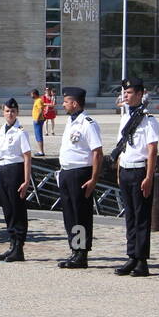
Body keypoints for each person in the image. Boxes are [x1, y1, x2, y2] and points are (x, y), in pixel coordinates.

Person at [111, 77, 159, 277]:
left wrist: (149, 177)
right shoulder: (125, 117)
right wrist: (118, 172)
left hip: (140, 170)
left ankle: (142, 260)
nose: (126, 96)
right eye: (125, 92)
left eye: (129, 93)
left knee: (141, 217)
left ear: (140, 95)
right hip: (126, 170)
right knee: (130, 216)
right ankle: (131, 255)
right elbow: (121, 148)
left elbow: (152, 150)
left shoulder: (148, 120)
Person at [55, 86, 103, 269]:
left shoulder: (87, 123)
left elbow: (97, 152)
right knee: (69, 214)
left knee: (80, 214)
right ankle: (74, 250)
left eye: (66, 101)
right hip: (67, 172)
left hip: (80, 173)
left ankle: (82, 253)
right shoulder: (71, 122)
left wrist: (94, 179)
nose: (63, 104)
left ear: (75, 103)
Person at [0, 98, 33, 262]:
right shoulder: (2, 130)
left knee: (18, 209)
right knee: (8, 209)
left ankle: (19, 247)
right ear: (3, 112)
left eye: (13, 111)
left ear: (17, 113)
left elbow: (27, 157)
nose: (10, 114)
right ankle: (12, 243)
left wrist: (26, 180)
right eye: (8, 111)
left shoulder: (20, 131)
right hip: (2, 170)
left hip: (15, 170)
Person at [30, 89, 46, 156]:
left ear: (34, 94)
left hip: (38, 120)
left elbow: (40, 110)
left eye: (31, 94)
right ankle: (40, 151)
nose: (31, 95)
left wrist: (37, 118)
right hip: (38, 120)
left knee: (38, 135)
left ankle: (41, 151)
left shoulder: (38, 100)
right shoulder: (37, 100)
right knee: (37, 135)